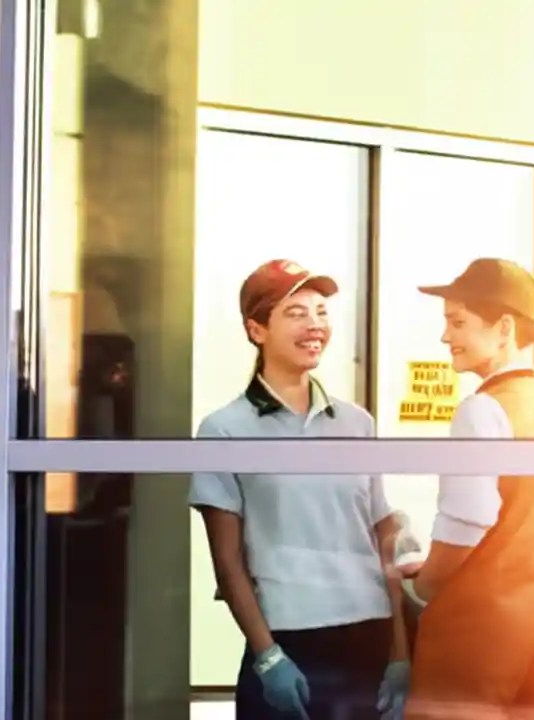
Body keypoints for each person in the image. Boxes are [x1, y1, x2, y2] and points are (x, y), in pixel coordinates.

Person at [190, 259, 410, 720]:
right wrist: (267, 656)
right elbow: (228, 564)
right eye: (296, 312)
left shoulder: (357, 423)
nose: (315, 325)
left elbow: (383, 539)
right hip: (287, 643)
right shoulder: (224, 430)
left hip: (367, 638)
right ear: (257, 330)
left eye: (321, 311)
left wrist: (400, 653)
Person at [395, 258, 534, 719]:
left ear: (505, 328)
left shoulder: (481, 410)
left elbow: (469, 520)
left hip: (471, 643)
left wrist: (427, 583)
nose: (445, 337)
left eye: (458, 323)